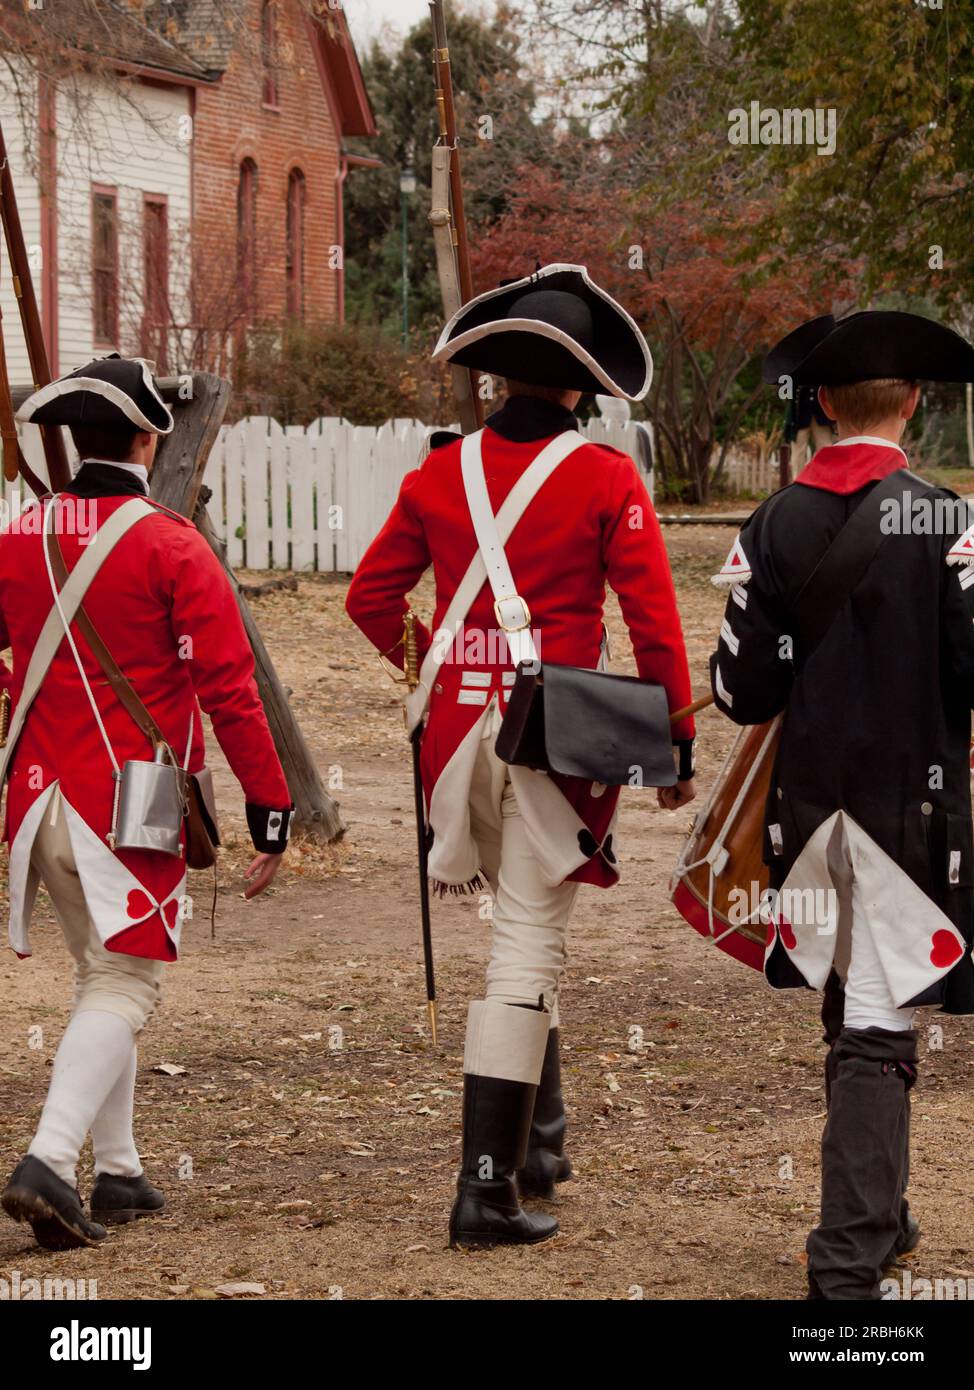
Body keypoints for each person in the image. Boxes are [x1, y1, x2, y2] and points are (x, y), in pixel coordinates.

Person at [346, 264, 696, 1247]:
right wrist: (671, 742)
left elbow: (369, 600)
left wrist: (436, 667)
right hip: (557, 740)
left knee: (518, 933)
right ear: (581, 387)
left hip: (456, 740)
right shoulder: (603, 476)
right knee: (525, 950)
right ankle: (484, 1191)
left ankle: (536, 1147)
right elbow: (653, 622)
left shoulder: (434, 472)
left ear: (502, 377)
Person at [0, 355, 293, 1250]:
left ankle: (119, 1171)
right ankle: (49, 1160)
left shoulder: (16, 535)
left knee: (101, 971)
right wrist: (268, 805)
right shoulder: (171, 543)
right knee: (128, 980)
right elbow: (231, 690)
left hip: (32, 802)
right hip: (130, 800)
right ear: (148, 434)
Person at [710, 310, 974, 1298]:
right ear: (908, 404)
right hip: (914, 811)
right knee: (873, 1013)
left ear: (819, 405)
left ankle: (884, 1214)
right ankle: (846, 1259)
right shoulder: (951, 521)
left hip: (807, 816)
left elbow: (740, 690)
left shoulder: (771, 523)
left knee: (861, 1003)